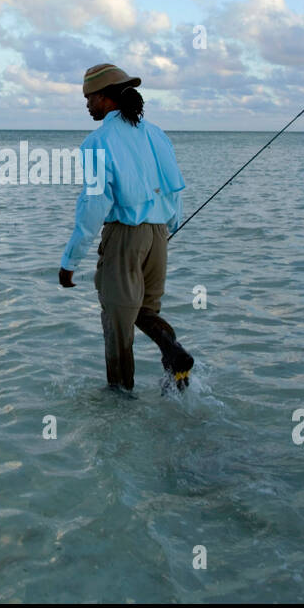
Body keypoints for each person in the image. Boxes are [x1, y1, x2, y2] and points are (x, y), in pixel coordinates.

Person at [58, 63, 196, 393]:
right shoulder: (156, 134)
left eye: (89, 98)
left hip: (124, 236)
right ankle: (174, 363)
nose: (87, 105)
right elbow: (174, 187)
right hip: (159, 235)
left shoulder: (98, 141)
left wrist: (70, 261)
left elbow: (94, 205)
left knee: (118, 324)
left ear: (105, 99)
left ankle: (119, 402)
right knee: (146, 311)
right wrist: (168, 227)